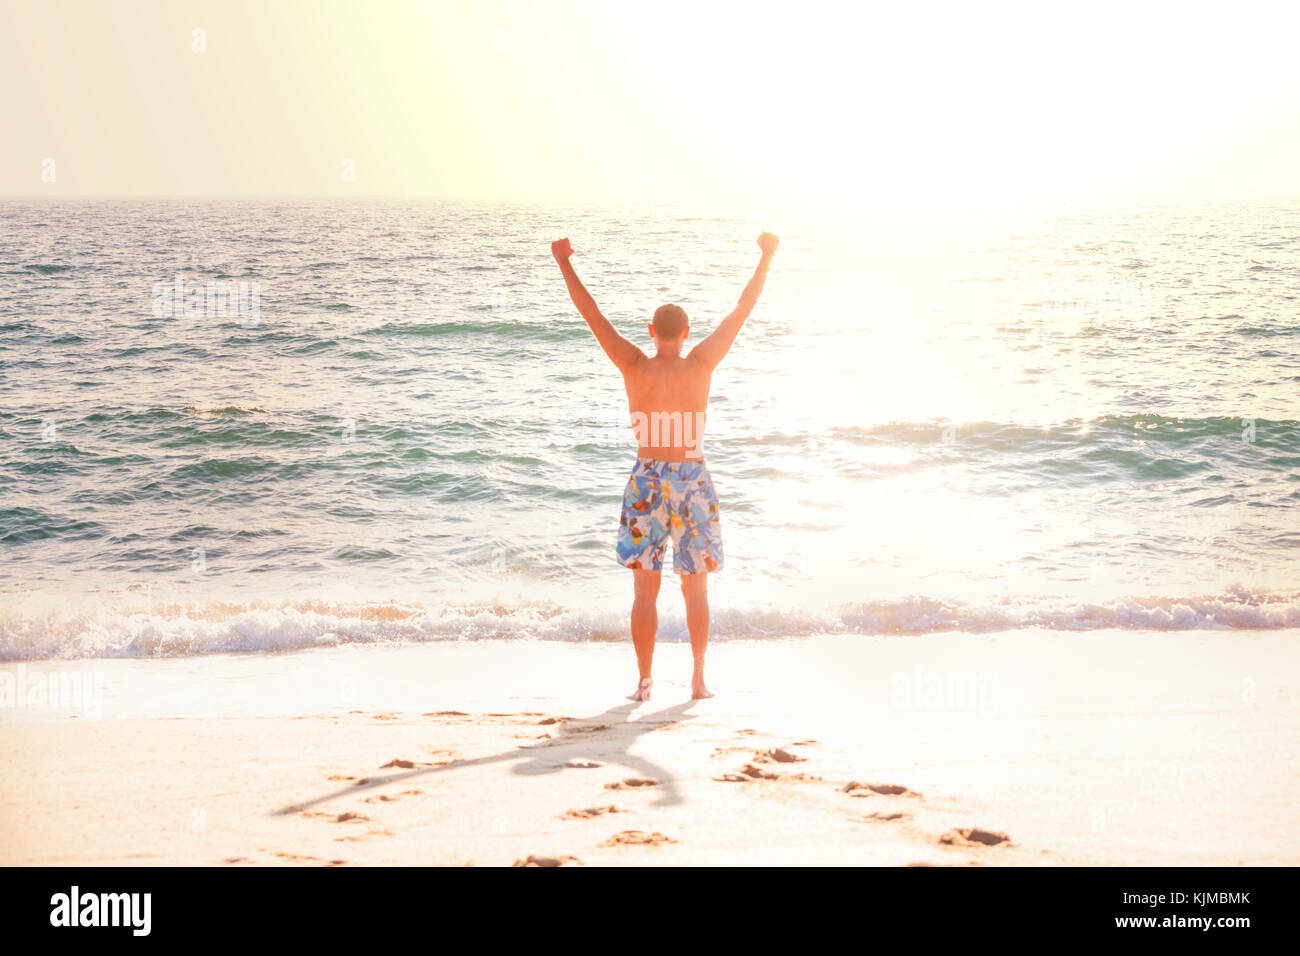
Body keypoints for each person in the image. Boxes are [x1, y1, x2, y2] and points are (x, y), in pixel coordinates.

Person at [551, 231, 779, 700]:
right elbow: (741, 311)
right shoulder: (701, 364)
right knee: (695, 591)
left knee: (644, 593)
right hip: (693, 478)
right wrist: (766, 257)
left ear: (652, 332)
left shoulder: (634, 365)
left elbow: (591, 314)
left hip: (647, 479)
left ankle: (644, 682)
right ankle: (697, 680)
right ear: (687, 333)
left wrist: (563, 262)